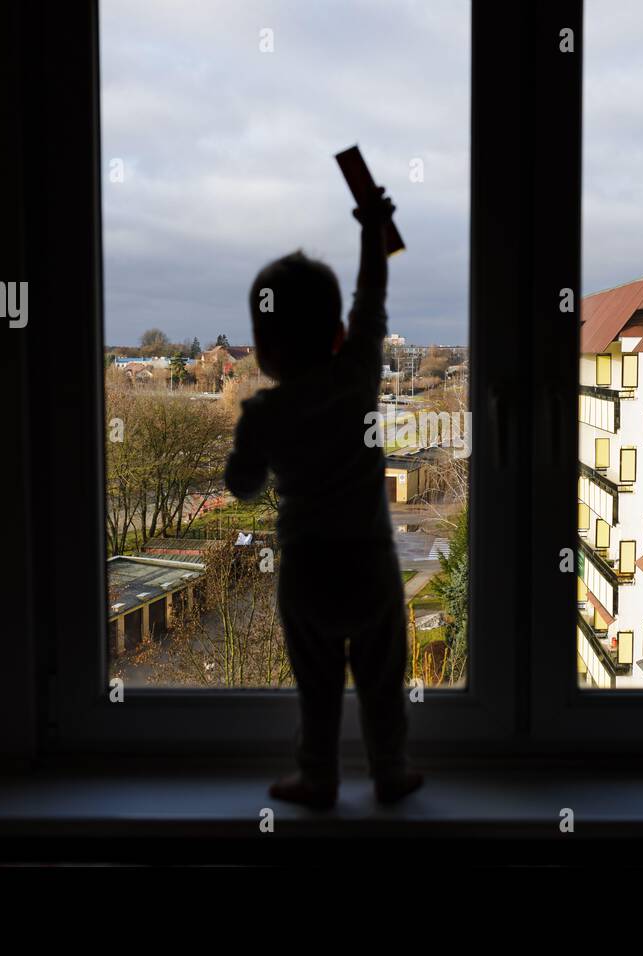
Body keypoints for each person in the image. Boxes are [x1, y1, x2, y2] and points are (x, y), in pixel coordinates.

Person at [224, 185, 423, 810]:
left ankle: (319, 778)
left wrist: (245, 454)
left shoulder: (265, 411)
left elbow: (244, 484)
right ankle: (390, 772)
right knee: (381, 678)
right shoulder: (358, 376)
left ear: (262, 345)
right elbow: (373, 302)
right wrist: (372, 227)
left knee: (317, 684)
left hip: (307, 569)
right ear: (337, 333)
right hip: (368, 563)